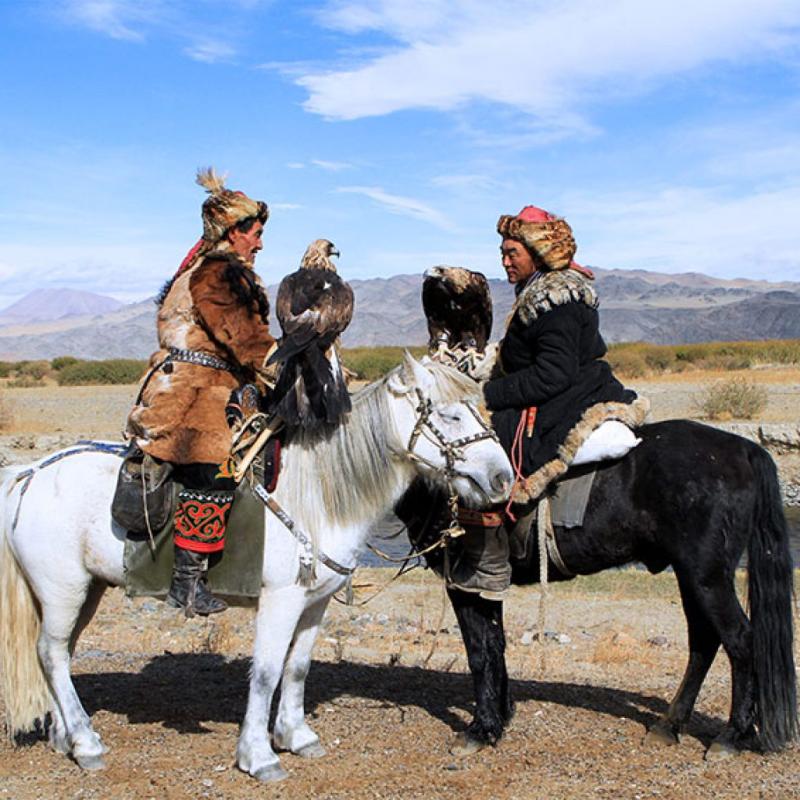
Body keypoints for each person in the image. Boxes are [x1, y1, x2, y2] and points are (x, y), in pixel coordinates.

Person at [448, 205, 647, 597]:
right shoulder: (542, 292)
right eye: (503, 253)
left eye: (512, 253)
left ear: (537, 253)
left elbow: (552, 374)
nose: (504, 261)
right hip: (568, 386)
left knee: (483, 451)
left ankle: (488, 560)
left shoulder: (557, 301)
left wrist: (487, 395)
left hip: (568, 395)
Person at [126, 168, 275, 616]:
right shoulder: (217, 274)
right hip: (191, 392)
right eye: (256, 234)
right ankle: (186, 582)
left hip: (203, 383)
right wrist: (285, 367)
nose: (260, 244)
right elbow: (243, 337)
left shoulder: (207, 268)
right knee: (216, 466)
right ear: (233, 232)